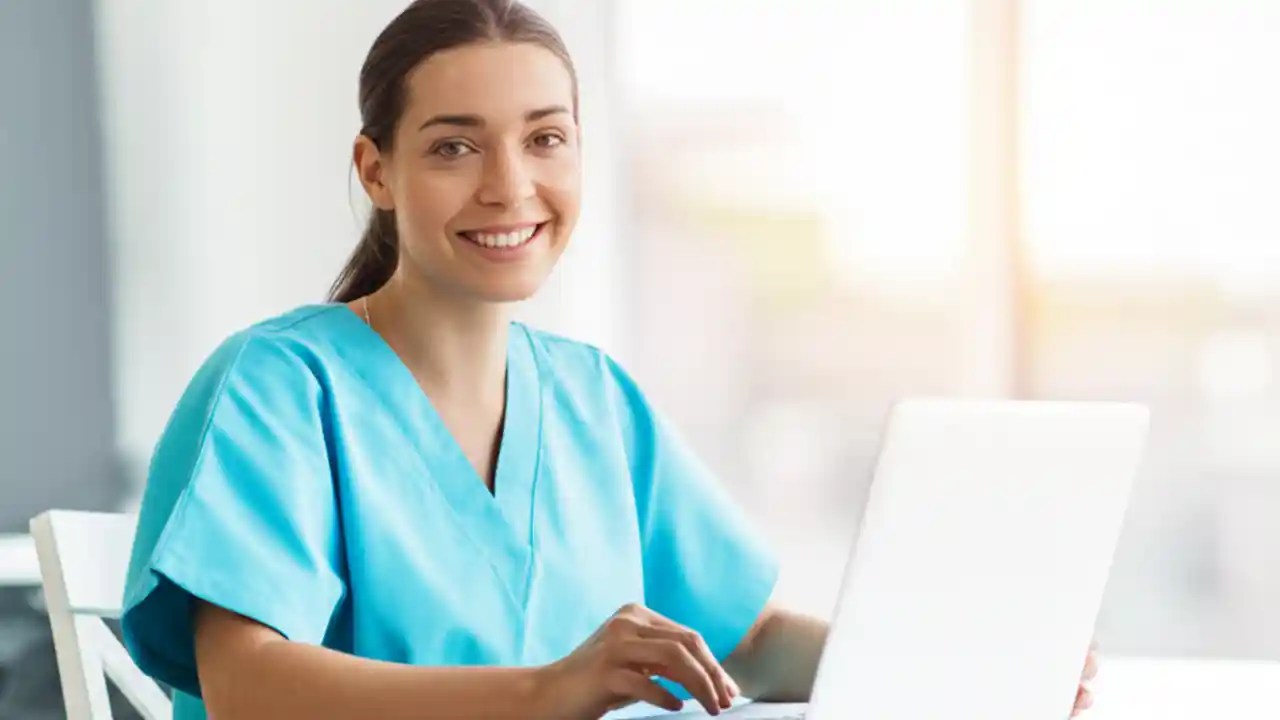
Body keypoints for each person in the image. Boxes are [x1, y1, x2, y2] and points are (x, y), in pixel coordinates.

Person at [118, 1, 1100, 718]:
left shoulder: (592, 398)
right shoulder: (279, 389)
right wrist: (550, 691)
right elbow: (244, 683)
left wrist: (963, 666)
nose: (511, 186)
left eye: (545, 139)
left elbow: (742, 647)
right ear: (376, 169)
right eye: (455, 147)